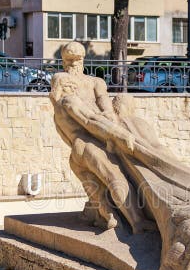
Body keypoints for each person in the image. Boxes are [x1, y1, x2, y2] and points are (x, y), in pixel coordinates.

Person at [49, 42, 150, 233]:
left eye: (76, 60)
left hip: (79, 154)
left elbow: (106, 108)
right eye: (70, 62)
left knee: (100, 197)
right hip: (88, 146)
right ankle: (137, 223)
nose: (73, 69)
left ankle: (108, 216)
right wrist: (118, 133)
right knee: (115, 178)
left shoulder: (88, 88)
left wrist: (109, 116)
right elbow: (89, 121)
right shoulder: (69, 102)